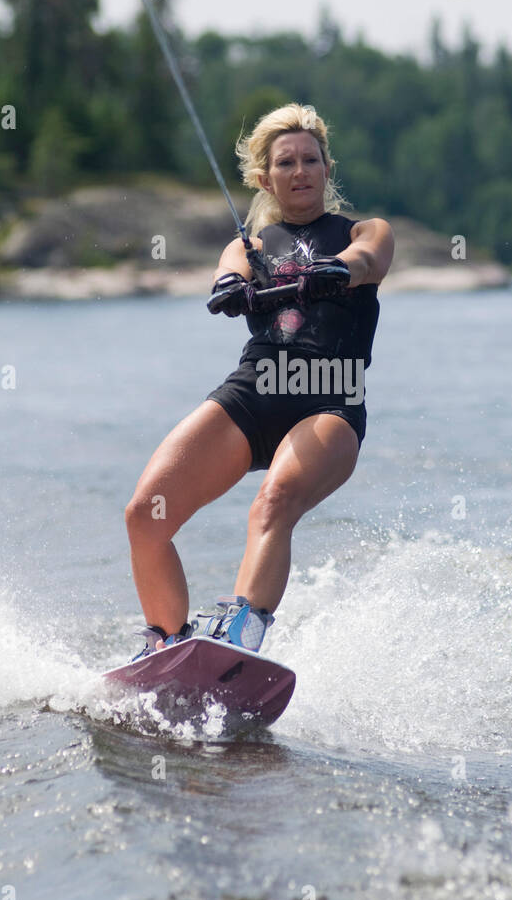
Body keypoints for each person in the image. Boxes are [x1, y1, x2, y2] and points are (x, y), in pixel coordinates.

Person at [124, 103, 394, 659]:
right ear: (265, 177)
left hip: (331, 398)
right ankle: (167, 645)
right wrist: (230, 286)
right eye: (286, 162)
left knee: (272, 504)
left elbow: (368, 259)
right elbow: (229, 273)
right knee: (145, 516)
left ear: (326, 168)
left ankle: (241, 635)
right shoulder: (248, 244)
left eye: (311, 160)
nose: (300, 172)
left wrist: (341, 269)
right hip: (255, 393)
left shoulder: (365, 231)